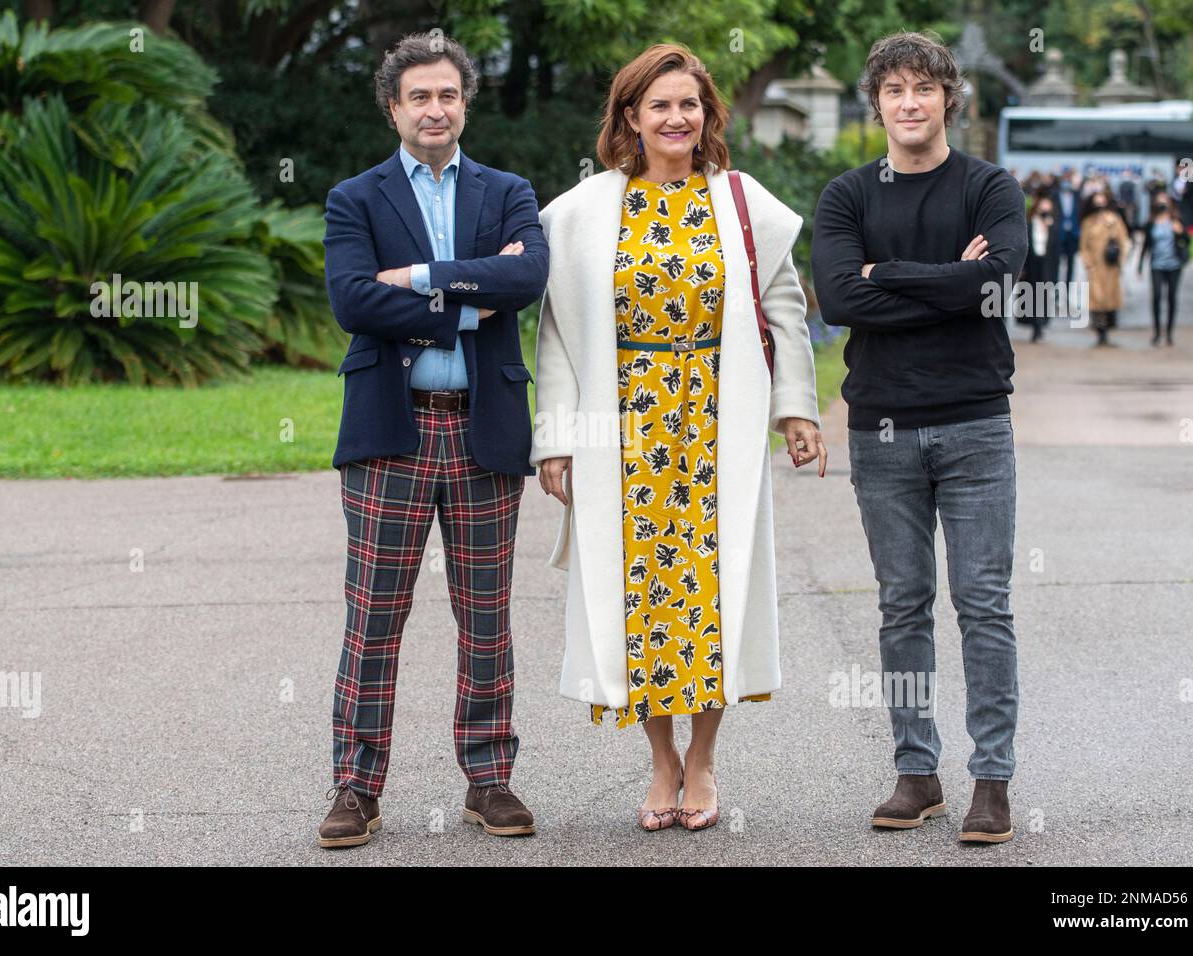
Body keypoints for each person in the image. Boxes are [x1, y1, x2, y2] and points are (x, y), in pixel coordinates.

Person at [531, 43, 824, 832]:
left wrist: (797, 410)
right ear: (631, 116)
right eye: (658, 105)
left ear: (707, 115)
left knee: (712, 592)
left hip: (715, 425)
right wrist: (554, 437)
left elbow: (785, 309)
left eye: (688, 104)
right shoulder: (586, 210)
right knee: (639, 599)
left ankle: (703, 762)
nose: (675, 118)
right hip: (620, 427)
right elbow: (555, 333)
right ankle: (661, 761)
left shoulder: (739, 202)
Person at [317, 32, 549, 848]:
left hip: (484, 429)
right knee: (374, 616)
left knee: (485, 616)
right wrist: (467, 297)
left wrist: (417, 279)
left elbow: (527, 278)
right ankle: (356, 785)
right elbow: (352, 301)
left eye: (448, 94)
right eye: (419, 96)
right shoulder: (356, 198)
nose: (435, 109)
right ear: (394, 108)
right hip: (392, 434)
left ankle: (489, 780)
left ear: (464, 103)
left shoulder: (508, 190)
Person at [811, 30, 1026, 844]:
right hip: (883, 433)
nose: (910, 103)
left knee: (984, 606)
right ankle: (916, 773)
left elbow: (1000, 281)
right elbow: (837, 302)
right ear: (877, 104)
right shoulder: (847, 198)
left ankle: (993, 782)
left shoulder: (989, 187)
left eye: (924, 89)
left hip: (976, 425)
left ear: (947, 99)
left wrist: (884, 274)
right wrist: (948, 283)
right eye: (895, 90)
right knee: (903, 605)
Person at [1079, 186, 1130, 347]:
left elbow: (1123, 241)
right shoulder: (1088, 222)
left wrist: (1120, 261)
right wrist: (1088, 264)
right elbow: (1084, 246)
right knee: (1096, 299)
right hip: (1095, 267)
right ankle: (1099, 330)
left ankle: (1108, 329)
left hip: (1111, 267)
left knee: (1110, 299)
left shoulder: (1114, 220)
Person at [1137, 199, 1191, 347]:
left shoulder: (1176, 221)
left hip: (1174, 265)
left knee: (1171, 298)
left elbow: (1187, 241)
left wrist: (1180, 233)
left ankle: (1169, 332)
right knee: (1156, 296)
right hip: (1157, 265)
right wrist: (1140, 266)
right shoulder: (1151, 223)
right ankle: (1156, 331)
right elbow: (1146, 245)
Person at [1019, 192, 1061, 341]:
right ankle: (1034, 325)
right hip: (1032, 265)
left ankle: (1040, 324)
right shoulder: (1028, 225)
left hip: (1046, 265)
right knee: (1031, 295)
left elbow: (1055, 251)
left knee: (1043, 295)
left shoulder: (1053, 226)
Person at [1055, 168, 1081, 284]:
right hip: (1059, 234)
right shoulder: (1055, 196)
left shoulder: (1076, 195)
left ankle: (1067, 290)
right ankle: (1055, 291)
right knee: (1056, 264)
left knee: (1071, 265)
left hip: (1072, 234)